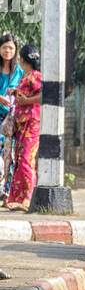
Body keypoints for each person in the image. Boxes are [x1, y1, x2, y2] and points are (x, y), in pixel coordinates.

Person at [5, 43, 42, 212]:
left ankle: (27, 198)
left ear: (22, 59)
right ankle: (18, 199)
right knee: (20, 160)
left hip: (31, 124)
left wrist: (25, 101)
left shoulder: (35, 76)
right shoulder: (27, 76)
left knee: (26, 159)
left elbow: (43, 95)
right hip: (22, 125)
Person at [0, 33, 23, 199]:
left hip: (12, 119)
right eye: (4, 47)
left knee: (10, 155)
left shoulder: (19, 71)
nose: (7, 50)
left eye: (11, 48)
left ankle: (7, 192)